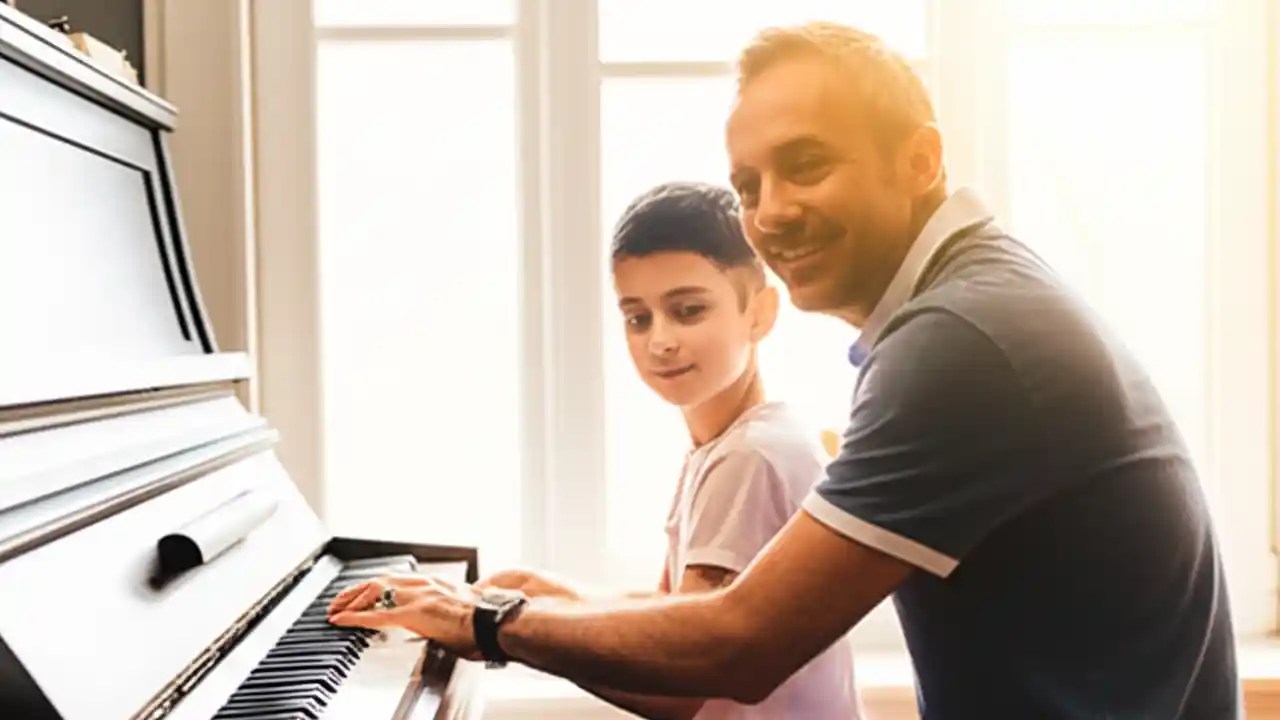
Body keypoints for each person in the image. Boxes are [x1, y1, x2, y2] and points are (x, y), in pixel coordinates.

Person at [330, 22, 1240, 718]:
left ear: (919, 160)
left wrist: (483, 622)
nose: (772, 212)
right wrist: (520, 602)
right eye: (750, 185)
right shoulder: (971, 304)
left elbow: (737, 645)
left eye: (807, 166)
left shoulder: (961, 340)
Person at [474, 181, 862, 720]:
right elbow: (676, 612)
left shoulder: (749, 458)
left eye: (687, 310)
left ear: (760, 313)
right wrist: (557, 596)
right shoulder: (729, 443)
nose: (659, 341)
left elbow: (682, 685)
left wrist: (509, 632)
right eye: (638, 317)